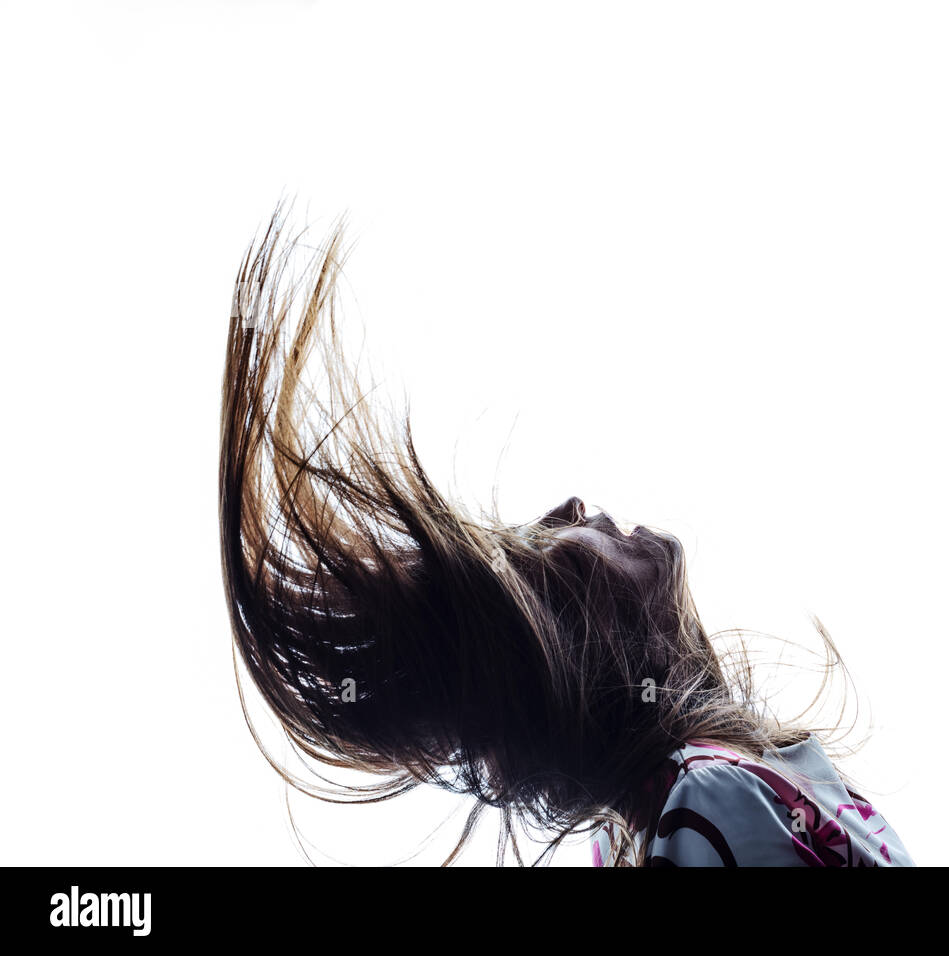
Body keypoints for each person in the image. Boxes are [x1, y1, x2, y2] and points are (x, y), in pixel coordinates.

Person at [218, 205, 913, 867]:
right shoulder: (707, 796)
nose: (571, 506)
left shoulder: (692, 802)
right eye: (532, 549)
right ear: (572, 646)